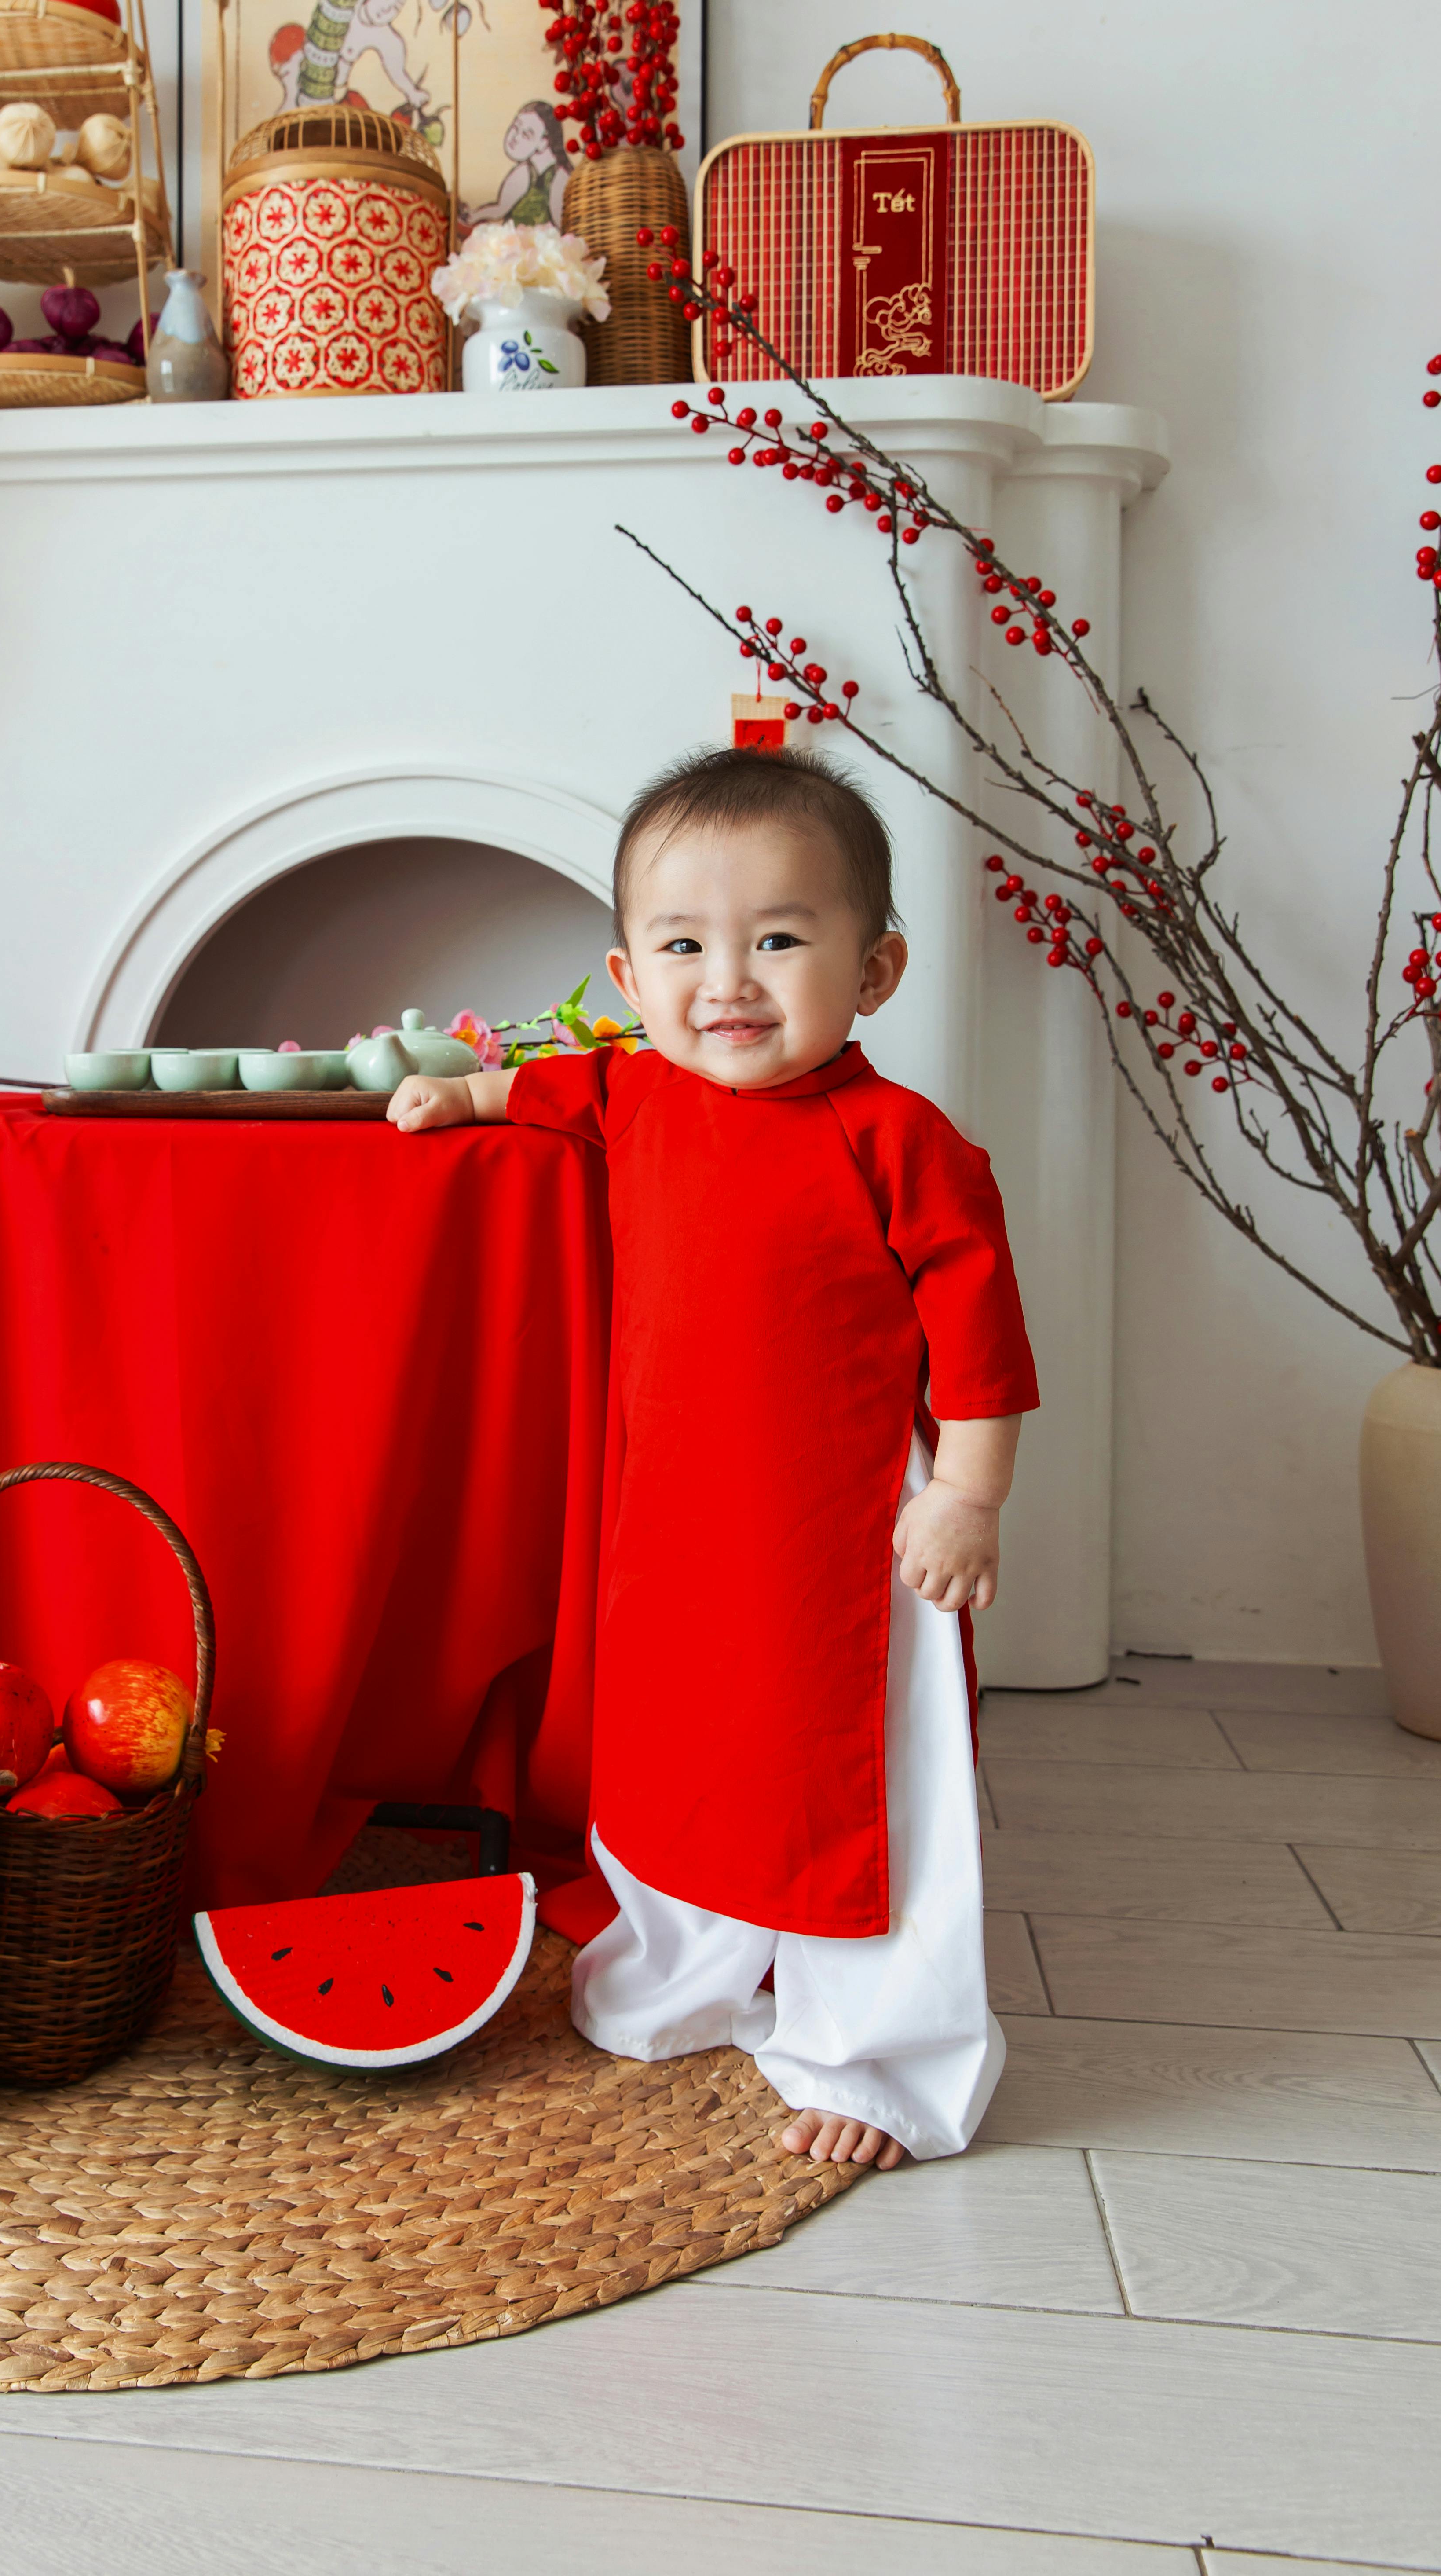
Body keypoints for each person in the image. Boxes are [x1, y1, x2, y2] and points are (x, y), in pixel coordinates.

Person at [387, 744, 1037, 2169]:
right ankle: (691, 1971)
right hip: (682, 1523)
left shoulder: (899, 1142)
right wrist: (466, 1099)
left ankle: (876, 2052)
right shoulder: (639, 1094)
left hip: (854, 1538)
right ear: (633, 978)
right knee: (685, 1762)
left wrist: (967, 1495)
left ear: (876, 971)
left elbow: (983, 1342)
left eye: (780, 941)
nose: (729, 981)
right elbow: (555, 1092)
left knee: (859, 1791)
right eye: (685, 947)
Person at [462, 100, 571, 228]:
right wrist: (475, 216)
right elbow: (500, 208)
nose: (515, 137)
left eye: (526, 134)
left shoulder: (560, 177)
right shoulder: (525, 171)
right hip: (514, 238)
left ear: (544, 142)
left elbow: (562, 224)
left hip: (544, 239)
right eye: (516, 127)